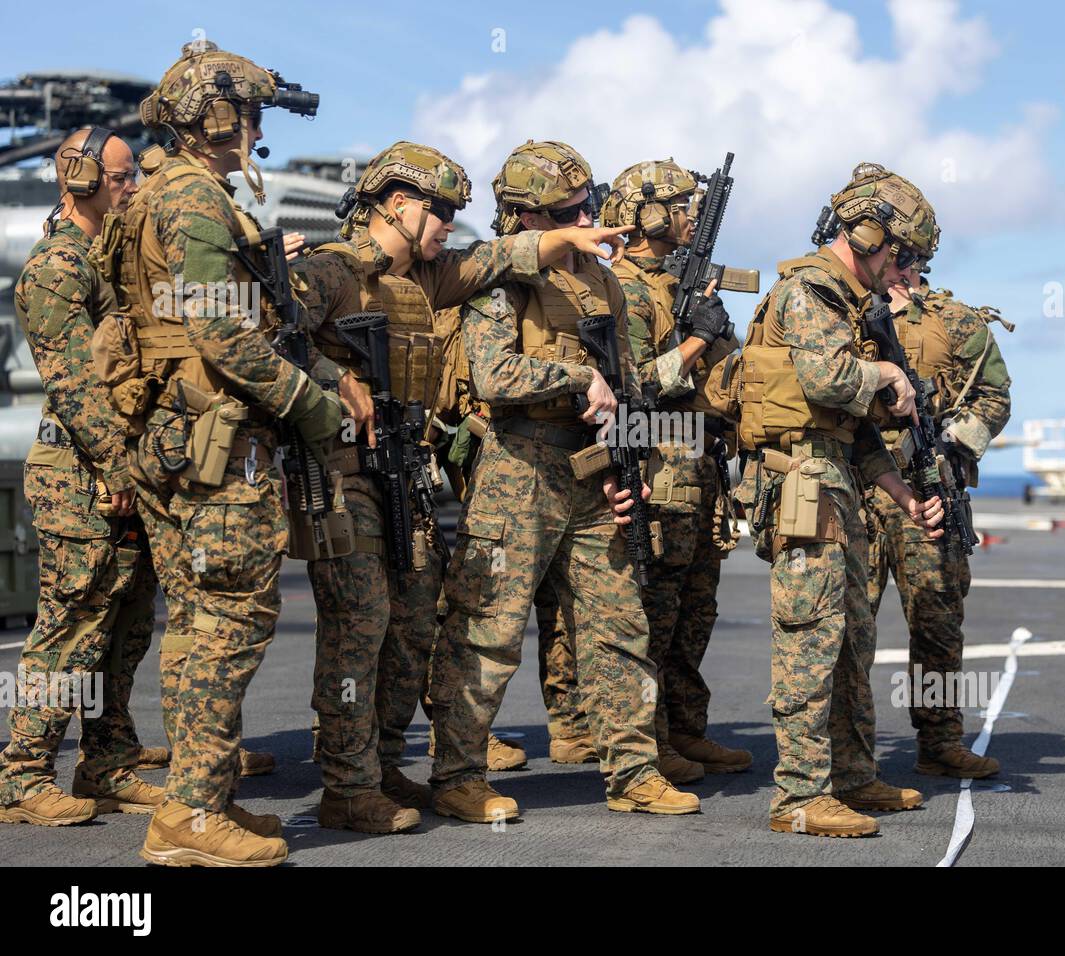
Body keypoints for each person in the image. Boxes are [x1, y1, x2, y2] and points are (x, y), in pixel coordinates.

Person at [291, 140, 629, 831]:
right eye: (440, 209)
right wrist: (335, 379)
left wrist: (566, 232)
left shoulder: (428, 278)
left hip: (403, 476)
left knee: (413, 625)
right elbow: (261, 332)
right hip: (341, 474)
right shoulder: (330, 272)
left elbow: (500, 258)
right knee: (360, 626)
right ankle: (347, 786)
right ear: (396, 203)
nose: (449, 222)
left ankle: (383, 765)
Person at [105, 41, 340, 866]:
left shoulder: (151, 198)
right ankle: (192, 817)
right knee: (231, 620)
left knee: (195, 625)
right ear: (218, 116)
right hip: (215, 443)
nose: (254, 126)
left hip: (171, 439)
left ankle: (196, 805)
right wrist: (313, 408)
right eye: (248, 112)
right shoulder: (198, 200)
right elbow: (219, 334)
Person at [427, 140, 698, 822]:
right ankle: (458, 775)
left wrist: (621, 463)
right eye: (571, 210)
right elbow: (493, 377)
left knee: (618, 626)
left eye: (588, 203)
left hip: (590, 473)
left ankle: (633, 772)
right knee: (487, 626)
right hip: (519, 468)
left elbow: (631, 384)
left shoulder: (603, 280)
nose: (588, 217)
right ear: (527, 217)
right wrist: (580, 379)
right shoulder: (500, 278)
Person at [734, 162, 944, 837]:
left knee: (853, 637)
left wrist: (901, 494)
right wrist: (885, 371)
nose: (902, 269)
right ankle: (798, 797)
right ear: (865, 233)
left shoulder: (849, 305)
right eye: (900, 254)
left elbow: (850, 433)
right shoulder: (810, 292)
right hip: (801, 483)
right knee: (811, 637)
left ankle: (851, 776)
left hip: (834, 479)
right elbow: (826, 381)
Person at [0, 127, 161, 826]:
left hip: (116, 469)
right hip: (80, 470)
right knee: (71, 623)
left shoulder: (106, 260)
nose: (131, 188)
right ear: (83, 178)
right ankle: (22, 774)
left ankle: (107, 762)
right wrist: (118, 466)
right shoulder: (58, 267)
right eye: (123, 178)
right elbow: (73, 383)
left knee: (124, 624)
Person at [598, 158, 751, 782]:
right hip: (659, 472)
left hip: (702, 470)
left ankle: (686, 730)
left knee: (696, 615)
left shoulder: (682, 286)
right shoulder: (625, 291)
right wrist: (693, 342)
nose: (690, 216)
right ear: (650, 216)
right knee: (653, 619)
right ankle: (649, 740)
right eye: (680, 206)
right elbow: (630, 394)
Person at [867, 280, 1012, 778]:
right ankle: (844, 748)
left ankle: (940, 740)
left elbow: (996, 397)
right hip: (855, 488)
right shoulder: (839, 304)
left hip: (928, 490)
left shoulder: (955, 320)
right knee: (844, 624)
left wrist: (953, 442)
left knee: (938, 622)